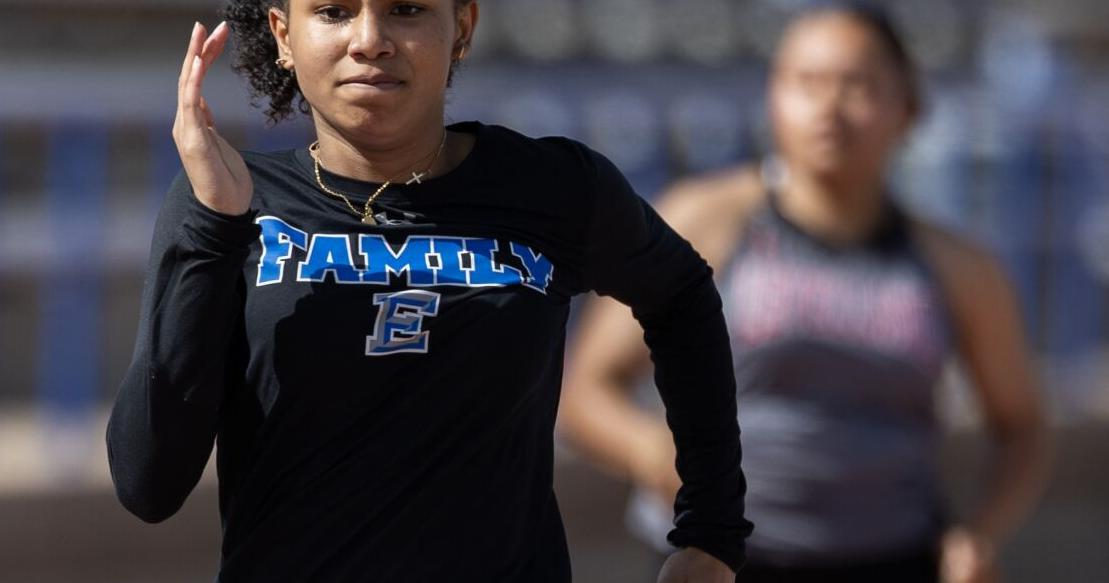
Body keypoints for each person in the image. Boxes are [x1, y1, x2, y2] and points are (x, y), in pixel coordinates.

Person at [104, 1, 752, 581]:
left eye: (406, 10)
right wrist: (215, 228)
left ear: (461, 27)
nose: (370, 39)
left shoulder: (550, 187)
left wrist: (711, 533)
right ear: (283, 34)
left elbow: (683, 294)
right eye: (332, 12)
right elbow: (147, 484)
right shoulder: (230, 198)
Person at [559, 3, 1049, 583]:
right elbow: (586, 392)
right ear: (773, 97)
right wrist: (650, 450)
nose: (830, 108)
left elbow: (1020, 426)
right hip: (720, 559)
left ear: (909, 107)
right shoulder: (704, 221)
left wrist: (979, 534)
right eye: (807, 83)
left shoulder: (955, 264)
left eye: (858, 85)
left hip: (894, 557)